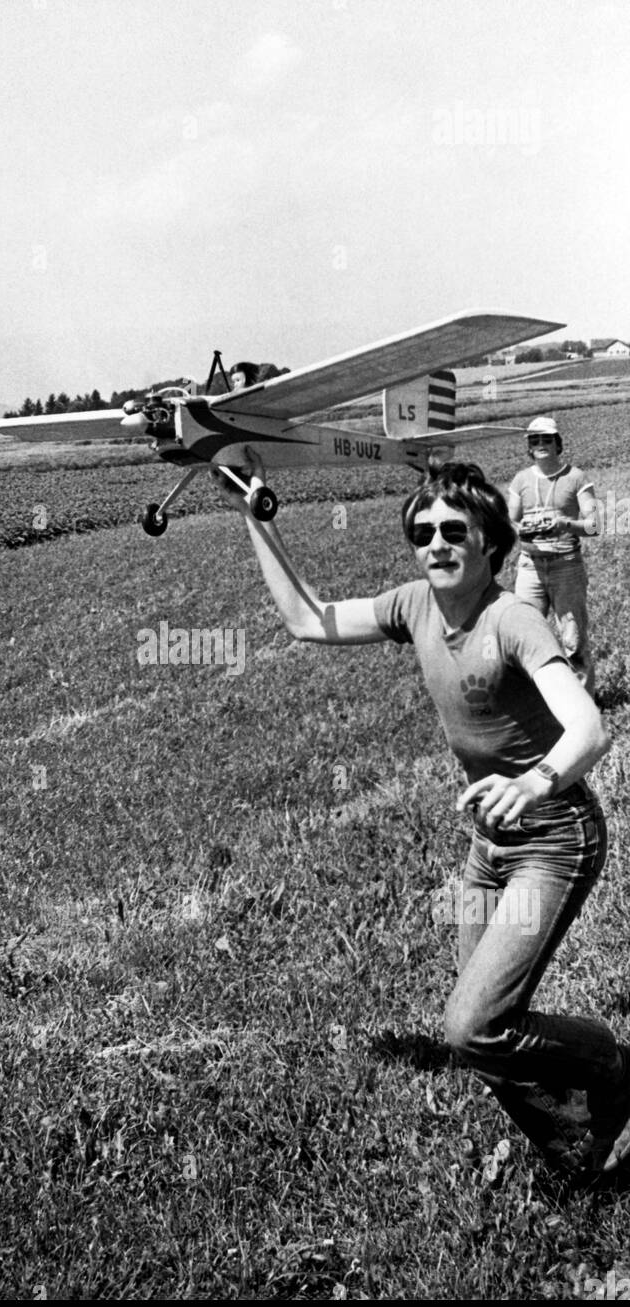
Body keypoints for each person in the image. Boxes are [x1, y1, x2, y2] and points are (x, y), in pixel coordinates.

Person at [220, 455, 630, 1177]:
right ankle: (576, 1147)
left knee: (472, 1028)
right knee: (484, 1035)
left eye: (452, 530)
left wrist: (534, 781)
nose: (434, 543)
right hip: (488, 844)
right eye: (421, 532)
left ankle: (613, 1070)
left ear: (489, 545)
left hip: (553, 837)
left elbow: (587, 727)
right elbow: (305, 620)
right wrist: (255, 521)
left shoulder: (514, 618)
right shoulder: (414, 604)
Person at [507, 416, 598, 697]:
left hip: (565, 566)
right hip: (530, 567)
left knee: (573, 639)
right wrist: (522, 528)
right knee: (524, 636)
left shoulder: (576, 477)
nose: (541, 444)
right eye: (535, 440)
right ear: (529, 447)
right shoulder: (521, 479)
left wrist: (565, 524)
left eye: (547, 439)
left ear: (558, 444)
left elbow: (594, 525)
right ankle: (537, 707)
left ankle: (586, 705)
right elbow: (511, 520)